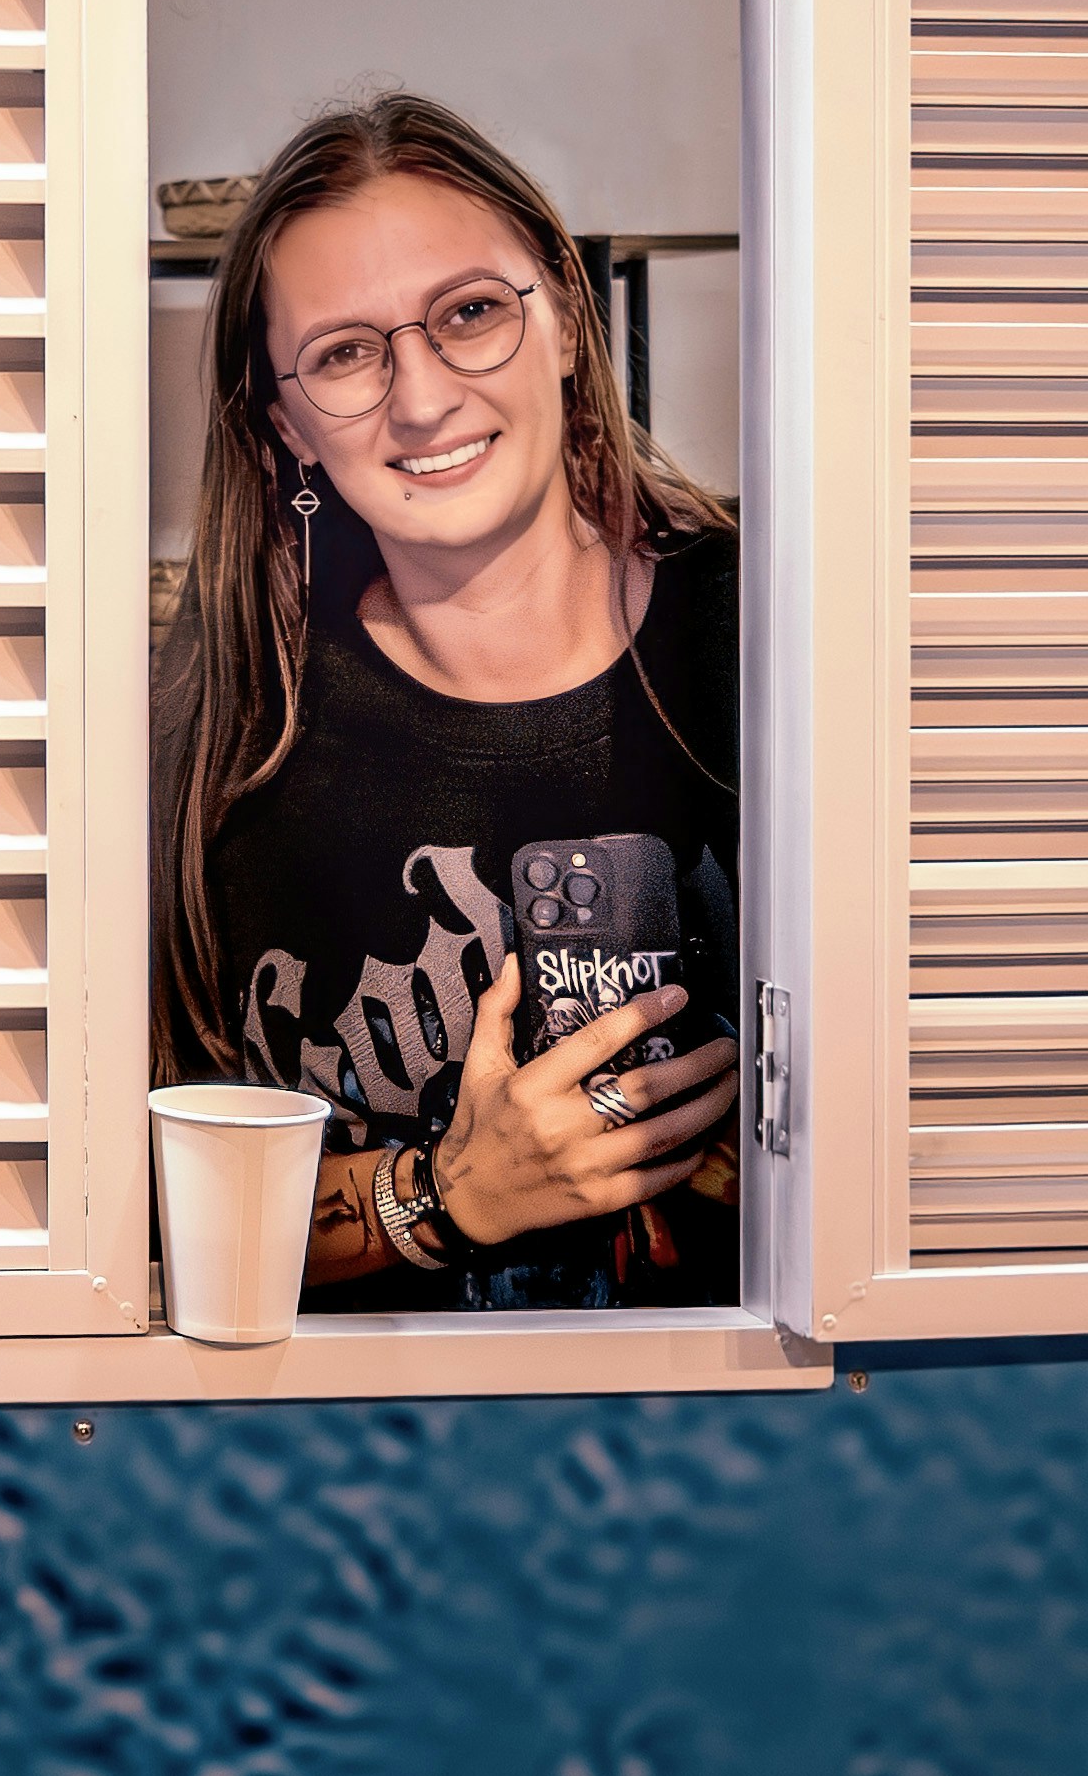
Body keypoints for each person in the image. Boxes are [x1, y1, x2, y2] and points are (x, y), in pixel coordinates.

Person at [150, 92, 745, 1311]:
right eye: (344, 353)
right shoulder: (225, 744)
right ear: (286, 427)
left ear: (565, 320)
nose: (420, 400)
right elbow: (148, 1228)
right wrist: (447, 1194)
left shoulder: (778, 648)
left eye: (470, 312)